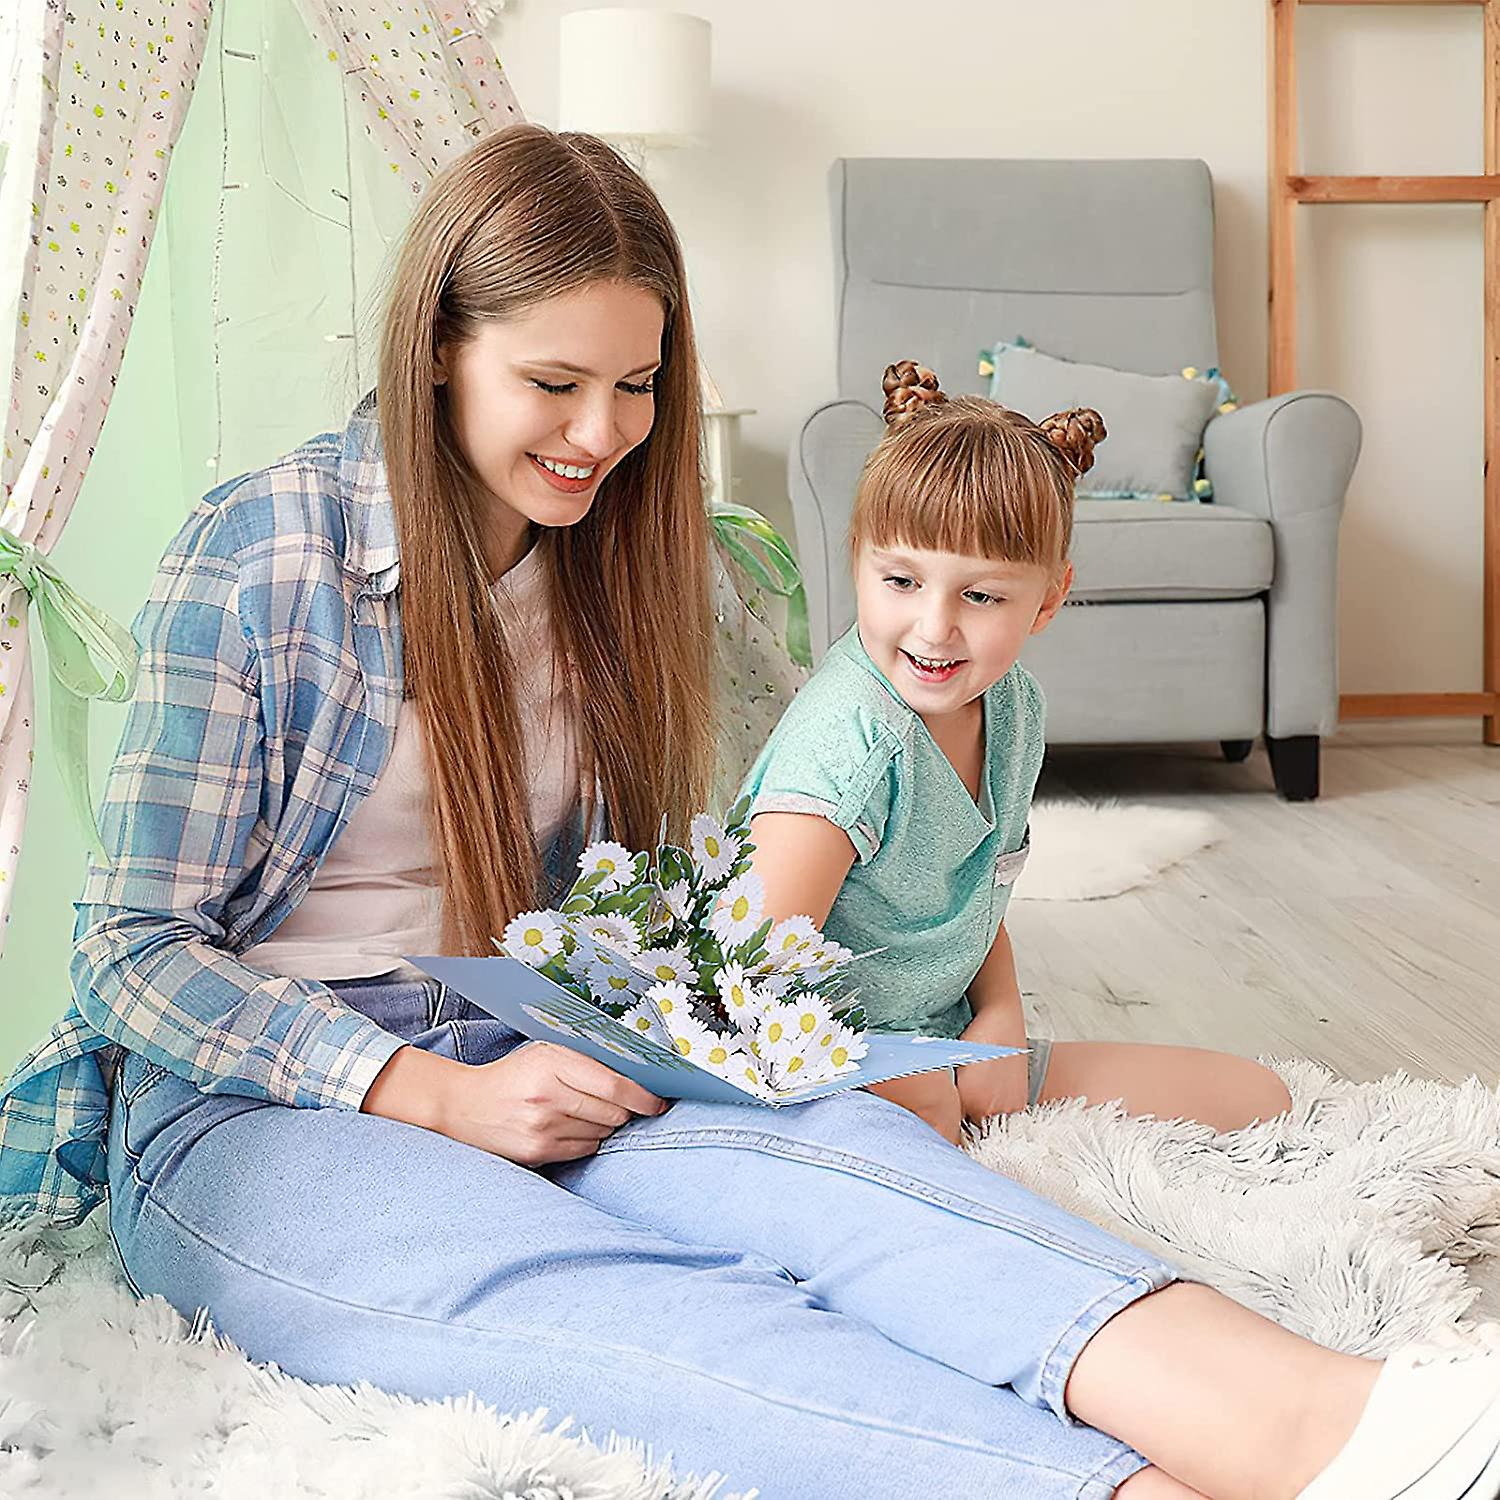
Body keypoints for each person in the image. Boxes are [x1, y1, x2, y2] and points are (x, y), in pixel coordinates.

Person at [1, 123, 1497, 1500]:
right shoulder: (264, 550)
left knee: (851, 1175)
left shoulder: (630, 566)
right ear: (438, 350)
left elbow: (696, 875)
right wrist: (428, 1098)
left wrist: (656, 1043)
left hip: (539, 1028)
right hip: (266, 1097)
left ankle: (1335, 1421)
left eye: (638, 385)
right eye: (554, 382)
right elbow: (131, 952)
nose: (604, 432)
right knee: (588, 1304)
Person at [740, 361, 1292, 1144]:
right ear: (857, 557)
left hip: (941, 1035)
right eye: (901, 580)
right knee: (930, 1116)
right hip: (806, 1054)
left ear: (1050, 597)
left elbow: (980, 893)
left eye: (982, 595)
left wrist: (998, 1018)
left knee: (1255, 1095)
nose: (934, 628)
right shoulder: (850, 743)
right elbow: (746, 985)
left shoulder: (1013, 707)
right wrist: (893, 1076)